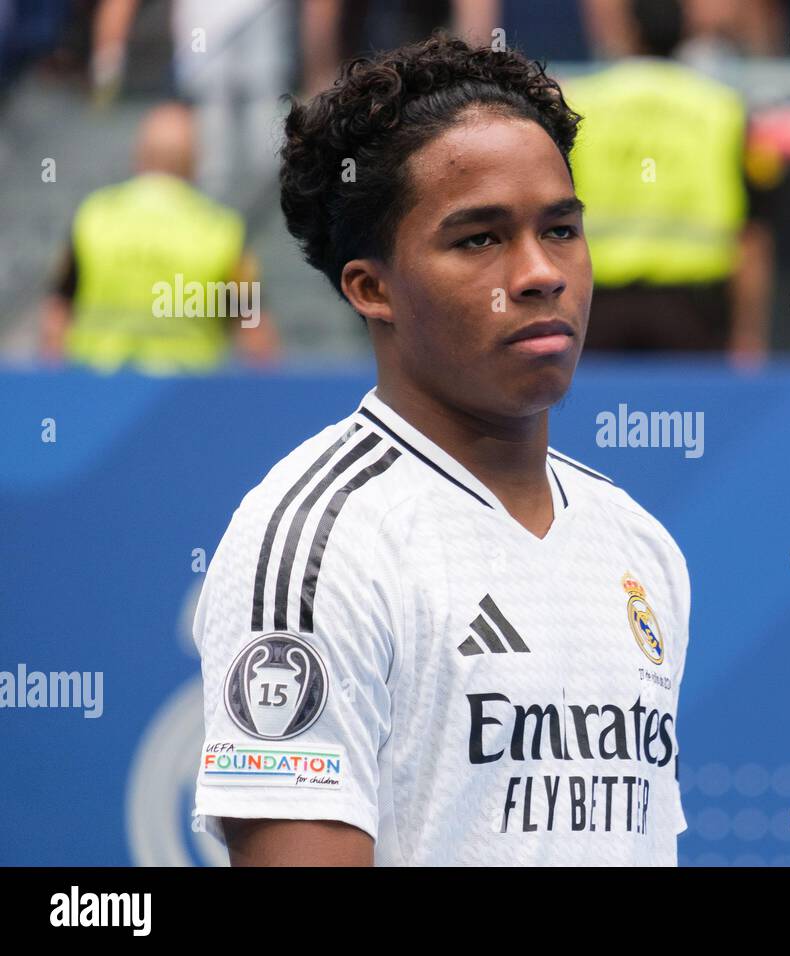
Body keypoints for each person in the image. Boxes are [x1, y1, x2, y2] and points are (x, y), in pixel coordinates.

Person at [190, 33, 691, 866]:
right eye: (479, 240)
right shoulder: (321, 544)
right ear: (371, 288)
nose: (541, 274)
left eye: (561, 229)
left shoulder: (640, 545)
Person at [561, 0, 775, 361]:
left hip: (596, 309)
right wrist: (749, 336)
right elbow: (752, 236)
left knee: (602, 417)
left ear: (629, 31)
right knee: (690, 417)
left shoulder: (578, 103)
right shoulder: (726, 109)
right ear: (686, 33)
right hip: (693, 313)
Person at [41, 101, 279, 373]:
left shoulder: (93, 217)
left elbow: (56, 316)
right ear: (195, 161)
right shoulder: (223, 231)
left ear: (140, 155)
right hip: (186, 398)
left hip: (98, 393)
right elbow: (254, 333)